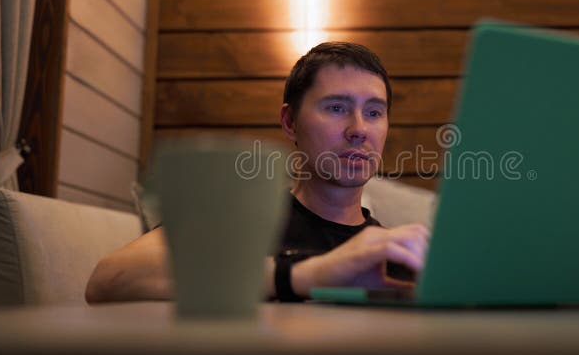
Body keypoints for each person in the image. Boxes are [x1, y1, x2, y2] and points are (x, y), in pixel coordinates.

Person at [85, 42, 430, 303]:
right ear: (290, 122)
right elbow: (108, 278)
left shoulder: (395, 254)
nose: (359, 129)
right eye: (337, 107)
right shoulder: (242, 221)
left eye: (373, 113)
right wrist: (303, 275)